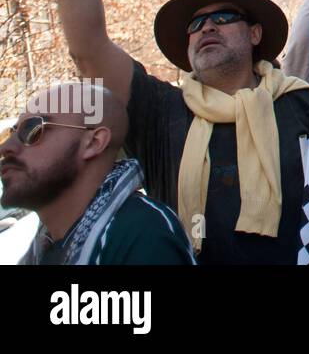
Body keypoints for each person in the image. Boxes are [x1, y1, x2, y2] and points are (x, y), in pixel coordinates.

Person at [49, 0, 309, 264]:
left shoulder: (302, 102)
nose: (206, 27)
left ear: (254, 34)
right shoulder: (160, 112)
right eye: (195, 25)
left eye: (223, 17)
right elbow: (87, 47)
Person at [3, 84, 193, 265]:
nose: (5, 147)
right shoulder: (44, 247)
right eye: (12, 133)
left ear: (94, 142)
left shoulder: (142, 233)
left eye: (32, 130)